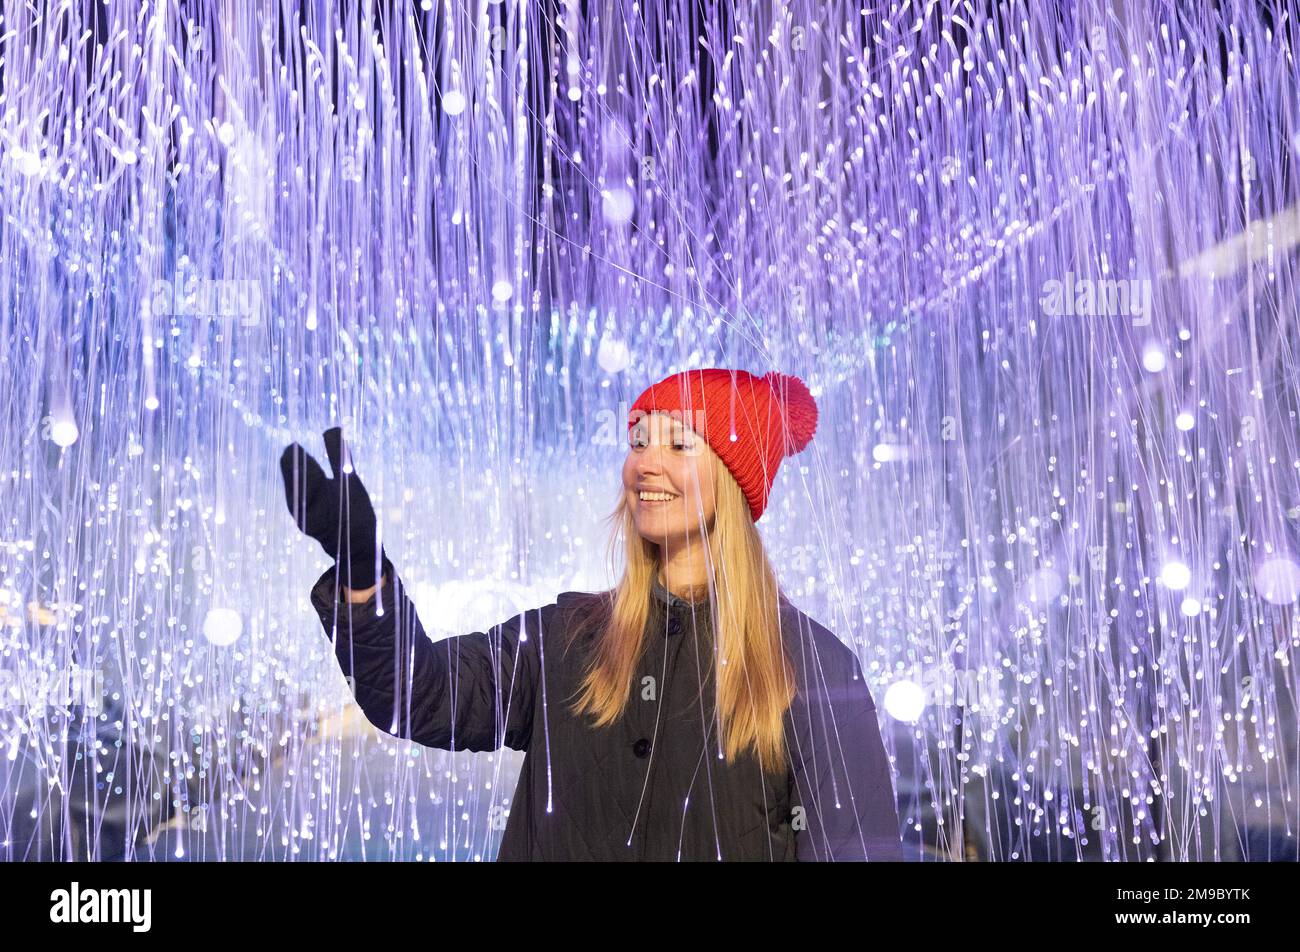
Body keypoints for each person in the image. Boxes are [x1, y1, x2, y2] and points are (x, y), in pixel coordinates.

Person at [280, 367, 903, 861]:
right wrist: (364, 575)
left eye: (679, 442)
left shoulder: (815, 667)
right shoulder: (565, 638)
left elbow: (856, 849)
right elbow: (420, 696)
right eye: (637, 441)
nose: (644, 463)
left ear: (735, 480)